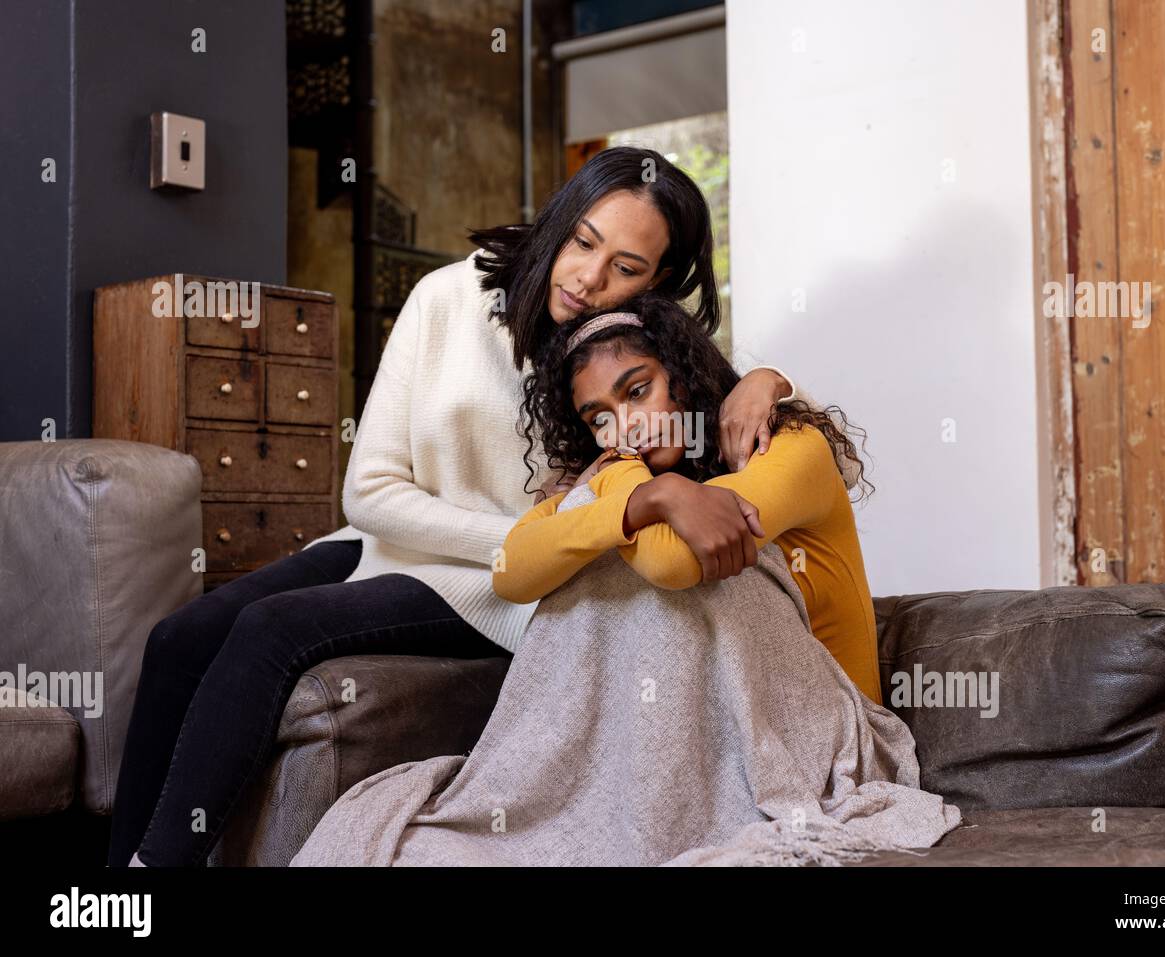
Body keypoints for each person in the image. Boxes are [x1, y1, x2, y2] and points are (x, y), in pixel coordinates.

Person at [108, 146, 800, 867]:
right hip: (397, 536)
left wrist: (764, 380)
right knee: (177, 640)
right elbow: (370, 491)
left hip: (494, 590)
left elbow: (748, 420)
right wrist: (541, 533)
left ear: (658, 280)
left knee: (269, 629)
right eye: (583, 241)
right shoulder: (448, 296)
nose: (590, 278)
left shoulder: (632, 349)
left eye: (626, 267)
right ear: (560, 222)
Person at [493, 291, 883, 705]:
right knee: (594, 556)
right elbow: (510, 573)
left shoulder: (792, 447)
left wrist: (628, 479)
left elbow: (672, 561)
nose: (626, 427)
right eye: (599, 419)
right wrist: (647, 493)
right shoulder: (630, 475)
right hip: (716, 734)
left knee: (638, 563)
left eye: (639, 391)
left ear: (682, 375)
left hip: (828, 724)